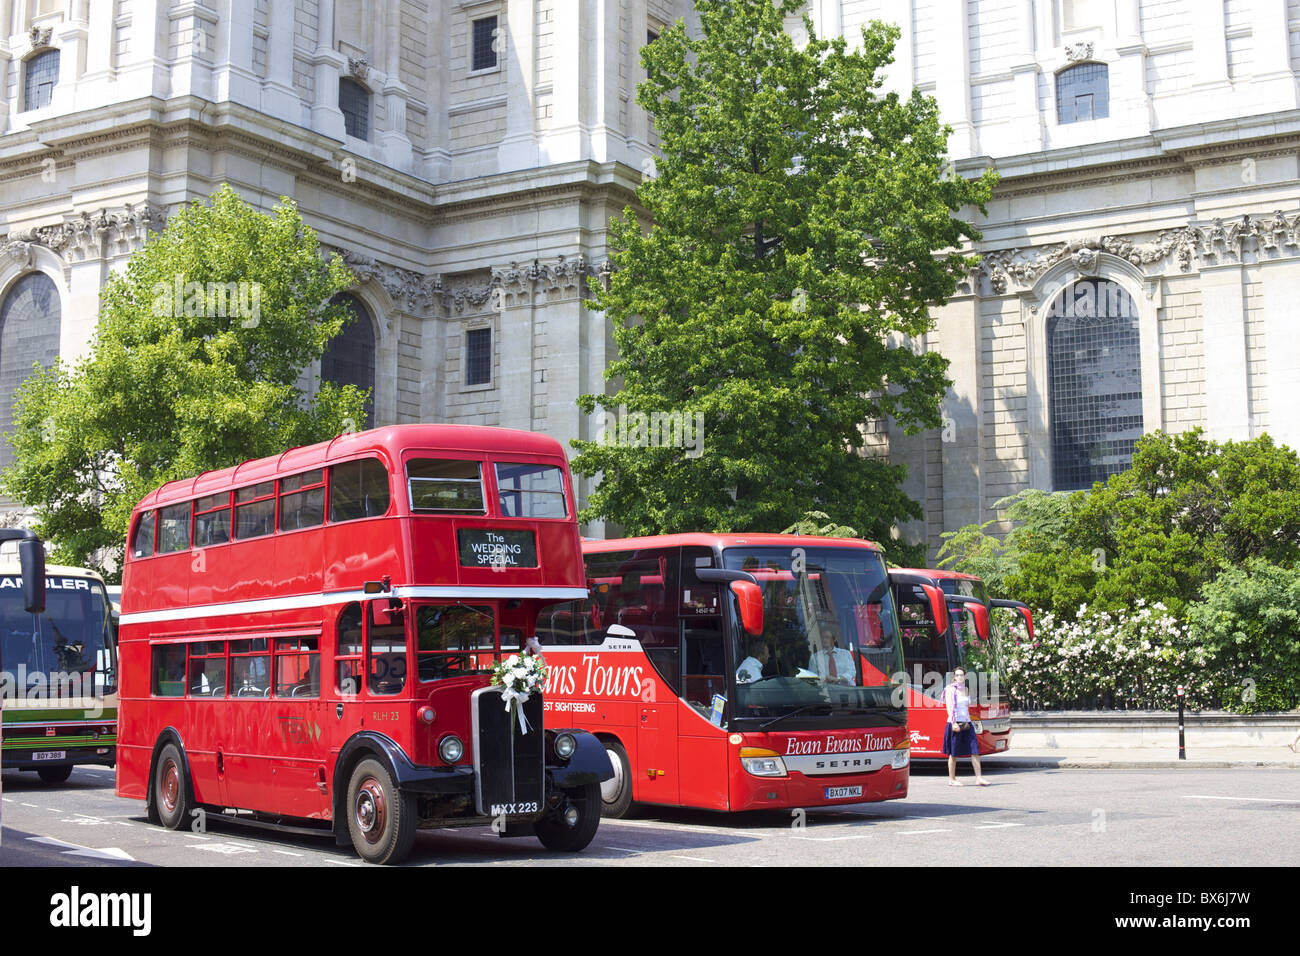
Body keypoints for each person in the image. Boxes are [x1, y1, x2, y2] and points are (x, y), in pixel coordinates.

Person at [943, 666, 989, 786]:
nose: (959, 677)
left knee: (975, 750)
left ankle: (979, 778)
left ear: (964, 676)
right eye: (957, 675)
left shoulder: (966, 689)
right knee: (953, 753)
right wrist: (953, 723)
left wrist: (969, 720)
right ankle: (952, 779)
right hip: (954, 722)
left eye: (961, 675)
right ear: (954, 677)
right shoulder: (950, 689)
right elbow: (949, 707)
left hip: (967, 723)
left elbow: (966, 707)